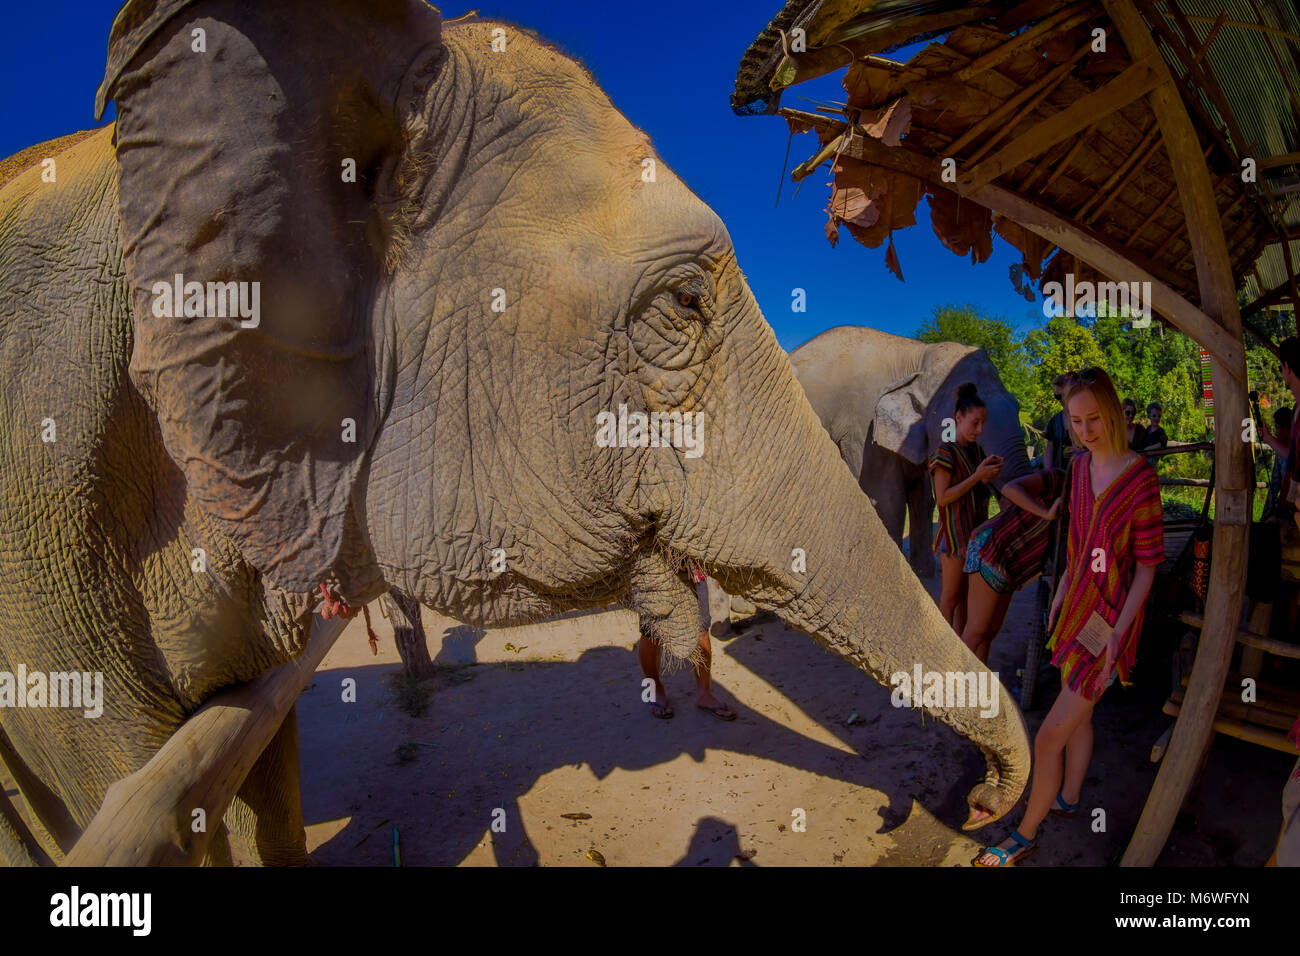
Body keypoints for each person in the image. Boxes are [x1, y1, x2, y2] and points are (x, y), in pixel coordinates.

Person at [973, 367, 1162, 865]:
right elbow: (1078, 542)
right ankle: (1070, 798)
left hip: (1110, 626)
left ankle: (1025, 833)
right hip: (1076, 610)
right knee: (1078, 717)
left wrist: (1121, 632)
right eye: (1076, 422)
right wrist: (1059, 594)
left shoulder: (1140, 478)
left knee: (1049, 734)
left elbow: (1146, 567)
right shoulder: (1079, 468)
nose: (1085, 431)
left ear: (1114, 413)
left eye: (1094, 419)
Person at [961, 469, 1066, 665]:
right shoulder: (1058, 479)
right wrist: (1045, 513)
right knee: (976, 631)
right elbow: (1009, 489)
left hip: (1010, 563)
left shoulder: (1085, 505)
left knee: (990, 631)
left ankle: (976, 688)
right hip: (992, 547)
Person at [930, 383, 1002, 634]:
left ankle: (959, 650)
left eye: (983, 423)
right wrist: (976, 476)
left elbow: (975, 490)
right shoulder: (945, 451)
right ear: (958, 418)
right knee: (950, 599)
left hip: (973, 535)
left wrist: (987, 476)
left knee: (964, 600)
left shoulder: (976, 450)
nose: (979, 429)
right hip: (953, 537)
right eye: (975, 422)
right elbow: (943, 498)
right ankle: (939, 650)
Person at [638, 565, 736, 721]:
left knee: (702, 632)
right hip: (652, 571)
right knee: (650, 634)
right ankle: (653, 689)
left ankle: (704, 694)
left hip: (694, 571)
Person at [1260, 406, 1292, 523]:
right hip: (1284, 511)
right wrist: (1265, 516)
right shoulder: (1280, 454)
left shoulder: (1292, 452)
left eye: (1277, 428)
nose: (1276, 432)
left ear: (1286, 429)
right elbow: (1274, 485)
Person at [1043, 374, 1074, 470]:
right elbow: (1049, 451)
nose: (1062, 399)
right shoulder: (1054, 421)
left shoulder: (1087, 418)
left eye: (1064, 395)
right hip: (1060, 475)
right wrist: (1048, 474)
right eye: (1058, 396)